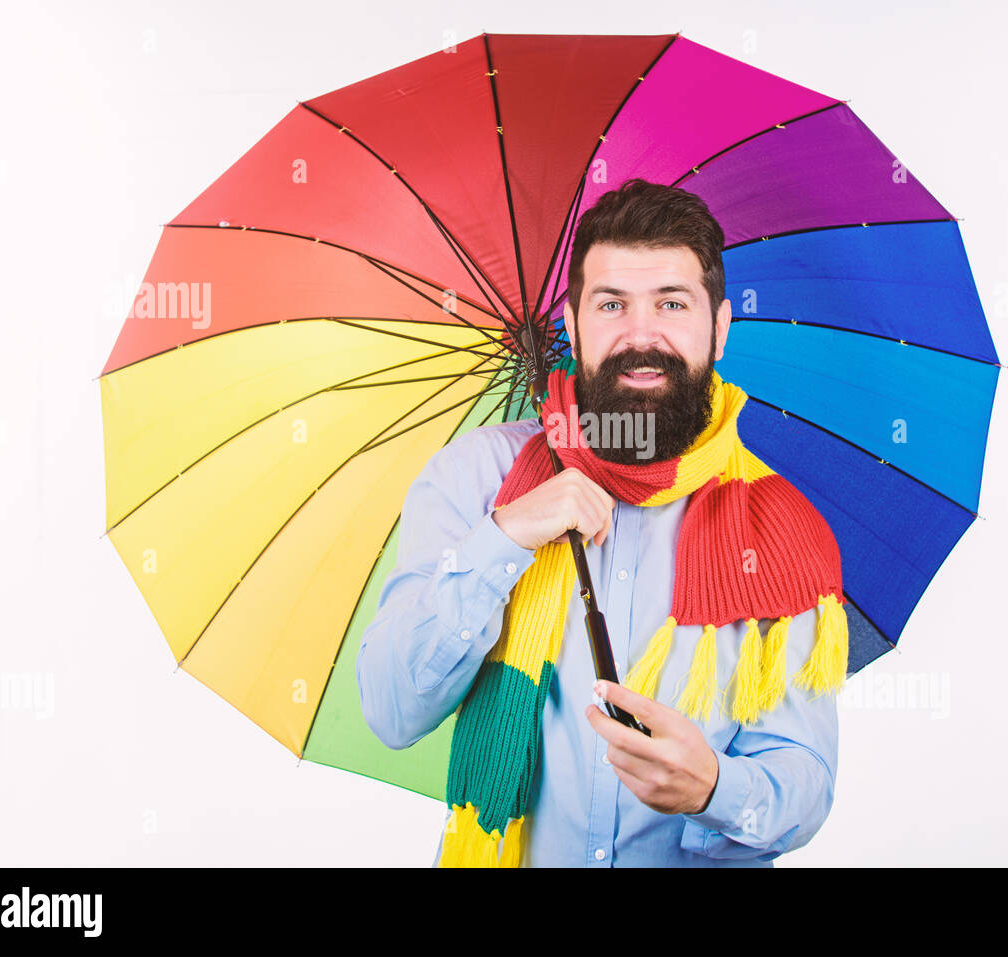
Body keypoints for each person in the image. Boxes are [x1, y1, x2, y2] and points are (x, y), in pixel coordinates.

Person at [356, 178, 846, 867]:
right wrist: (502, 540)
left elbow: (806, 782)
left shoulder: (782, 530)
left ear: (721, 326)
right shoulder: (472, 478)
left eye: (671, 303)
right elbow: (391, 707)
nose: (641, 336)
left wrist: (714, 786)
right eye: (612, 304)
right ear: (574, 323)